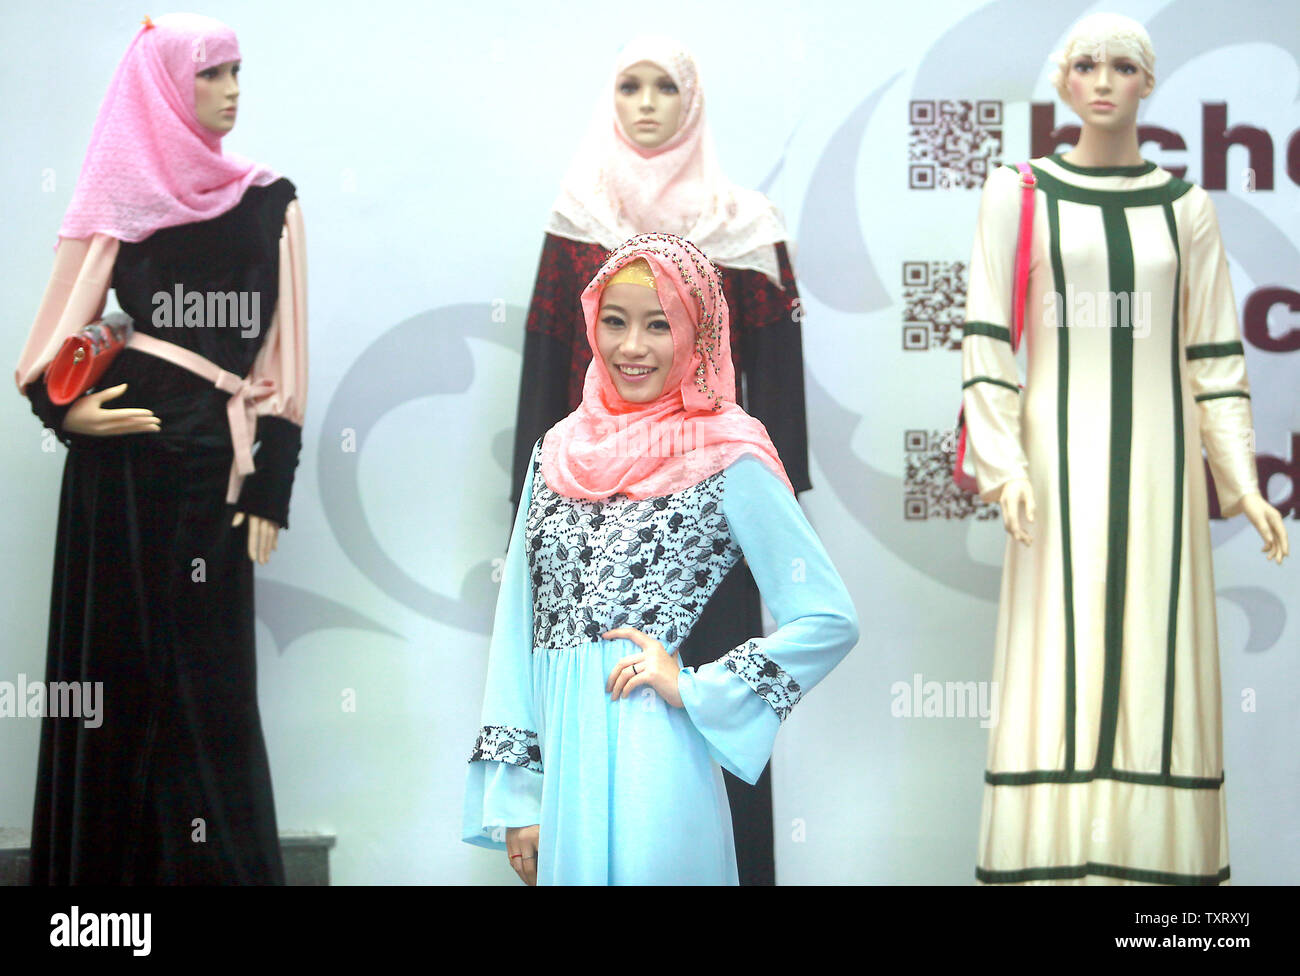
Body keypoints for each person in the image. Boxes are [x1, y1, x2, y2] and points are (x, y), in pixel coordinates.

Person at [960, 12, 1288, 885]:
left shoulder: (1187, 207)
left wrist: (1241, 481)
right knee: (1054, 647)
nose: (1103, 80)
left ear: (1148, 82)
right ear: (1064, 82)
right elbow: (987, 342)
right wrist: (1006, 468)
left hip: (1160, 467)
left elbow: (1216, 353)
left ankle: (1157, 877)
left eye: (1122, 66)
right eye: (1085, 65)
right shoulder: (1018, 193)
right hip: (1051, 464)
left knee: (1158, 639)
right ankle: (1047, 859)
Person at [464, 233, 857, 885]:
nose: (632, 347)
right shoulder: (555, 452)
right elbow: (516, 626)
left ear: (697, 332)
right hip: (565, 772)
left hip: (656, 760)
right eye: (614, 322)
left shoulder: (729, 449)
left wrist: (701, 689)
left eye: (659, 324)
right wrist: (518, 797)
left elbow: (828, 616)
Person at [510, 33, 810, 886]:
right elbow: (543, 369)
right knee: (591, 712)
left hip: (708, 513)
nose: (646, 103)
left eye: (664, 88)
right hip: (584, 501)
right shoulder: (579, 217)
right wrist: (531, 516)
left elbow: (776, 385)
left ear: (694, 103)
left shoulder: (742, 224)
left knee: (709, 710)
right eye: (629, 87)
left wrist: (767, 508)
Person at [14, 13, 308, 884]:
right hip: (120, 471)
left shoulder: (269, 198)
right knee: (112, 684)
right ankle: (102, 904)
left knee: (209, 688)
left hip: (216, 469)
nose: (231, 91)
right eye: (211, 75)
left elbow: (284, 354)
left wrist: (271, 484)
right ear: (167, 88)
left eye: (236, 72)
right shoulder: (123, 194)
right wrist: (59, 412)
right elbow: (57, 329)